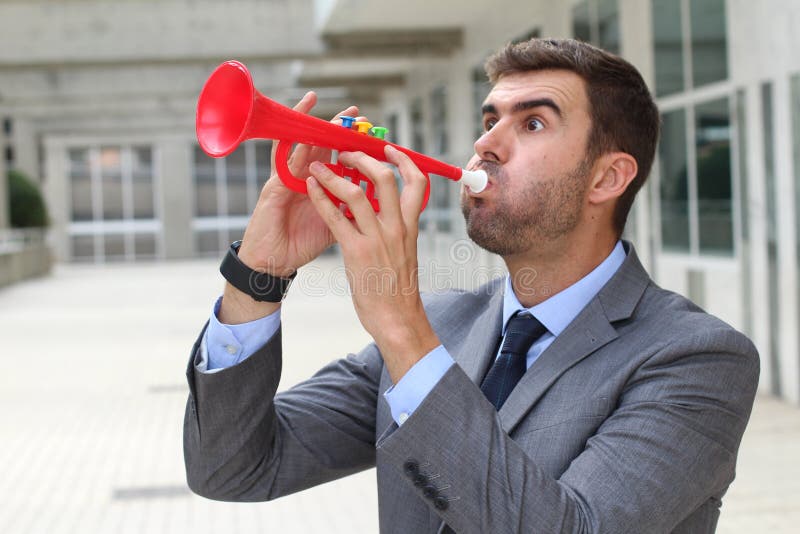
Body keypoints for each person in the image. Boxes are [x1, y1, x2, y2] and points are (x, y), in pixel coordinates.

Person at [183, 38, 759, 533]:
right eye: (490, 121)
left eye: (532, 123)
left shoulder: (697, 359)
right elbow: (233, 468)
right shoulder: (440, 325)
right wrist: (257, 275)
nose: (487, 144)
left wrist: (401, 327)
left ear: (607, 177)